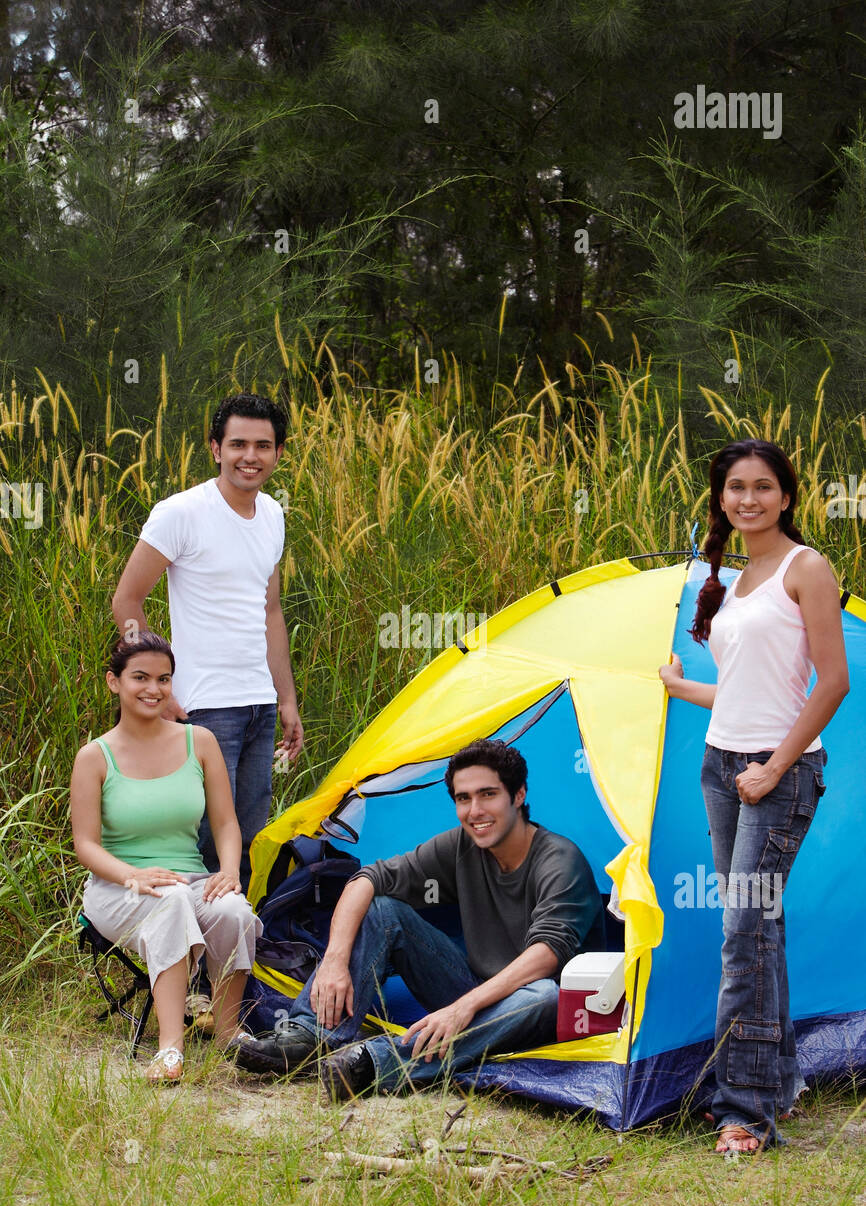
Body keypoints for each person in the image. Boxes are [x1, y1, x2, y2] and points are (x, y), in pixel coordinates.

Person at [659, 440, 849, 1154]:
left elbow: (831, 681)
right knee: (758, 928)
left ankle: (744, 1108)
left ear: (787, 496)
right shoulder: (737, 577)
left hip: (778, 772)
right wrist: (684, 689)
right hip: (720, 767)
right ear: (721, 499)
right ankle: (782, 1083)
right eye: (735, 488)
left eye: (763, 487)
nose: (748, 499)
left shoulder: (808, 568)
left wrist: (775, 768)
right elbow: (742, 691)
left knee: (742, 931)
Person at [235, 739, 603, 1099]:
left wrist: (462, 1008)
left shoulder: (559, 861)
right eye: (463, 798)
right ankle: (310, 1034)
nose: (475, 810)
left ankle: (377, 1063)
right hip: (475, 989)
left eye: (488, 794)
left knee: (543, 995)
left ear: (518, 795)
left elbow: (547, 955)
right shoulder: (463, 845)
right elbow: (366, 880)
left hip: (544, 1008)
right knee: (384, 911)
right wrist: (334, 960)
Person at [110, 392, 303, 895]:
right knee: (196, 848)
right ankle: (184, 967)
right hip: (203, 709)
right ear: (215, 447)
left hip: (259, 706)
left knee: (243, 846)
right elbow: (128, 600)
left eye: (263, 445)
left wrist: (286, 698)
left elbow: (270, 611)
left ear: (278, 453)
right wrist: (157, 691)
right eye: (237, 443)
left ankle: (233, 964)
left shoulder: (273, 516)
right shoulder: (181, 513)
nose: (250, 456)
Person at [70, 631, 262, 1083]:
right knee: (172, 901)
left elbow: (226, 823)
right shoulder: (95, 757)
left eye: (164, 679)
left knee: (233, 908)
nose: (153, 689)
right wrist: (132, 874)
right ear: (114, 682)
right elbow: (86, 845)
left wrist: (230, 871)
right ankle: (170, 1050)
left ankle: (228, 1032)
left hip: (187, 879)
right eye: (140, 677)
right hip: (118, 886)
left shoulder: (200, 742)